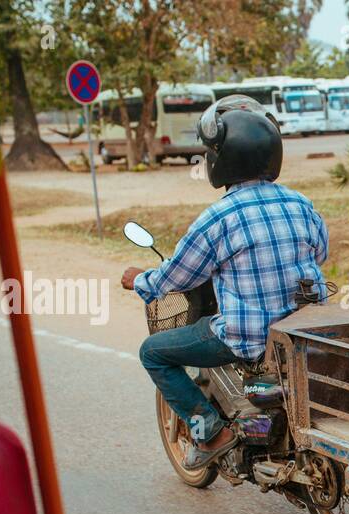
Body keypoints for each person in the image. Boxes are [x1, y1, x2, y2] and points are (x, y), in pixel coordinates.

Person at [121, 96, 328, 470]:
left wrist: (140, 280)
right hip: (305, 333)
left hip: (249, 338)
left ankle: (210, 432)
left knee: (153, 352)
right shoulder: (301, 203)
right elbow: (320, 255)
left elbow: (175, 278)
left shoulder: (218, 217)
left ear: (220, 160)